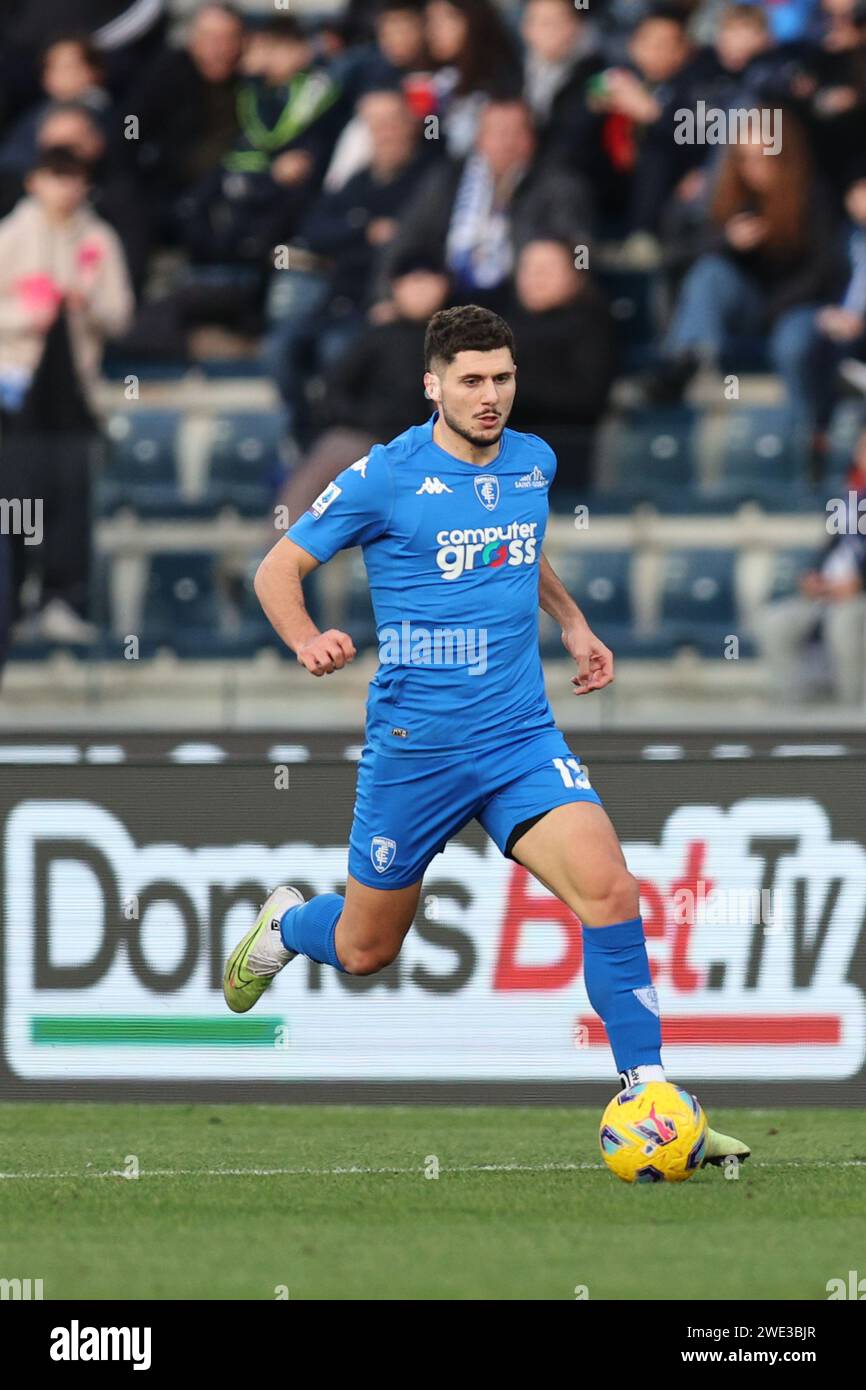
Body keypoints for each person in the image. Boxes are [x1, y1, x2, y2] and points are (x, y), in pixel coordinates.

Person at [222, 302, 750, 1170]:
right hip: (416, 750)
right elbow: (277, 568)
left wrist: (575, 626)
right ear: (433, 386)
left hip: (518, 738)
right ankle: (287, 927)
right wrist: (305, 637)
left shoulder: (533, 463)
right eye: (471, 380)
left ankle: (651, 1098)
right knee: (365, 947)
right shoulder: (382, 476)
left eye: (502, 378)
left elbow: (521, 546)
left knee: (612, 894)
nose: (491, 395)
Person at [0, 148, 133, 642]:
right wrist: (26, 315)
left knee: (70, 503)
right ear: (35, 182)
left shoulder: (99, 239)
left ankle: (63, 601)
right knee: (15, 505)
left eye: (75, 179)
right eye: (57, 178)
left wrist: (84, 305)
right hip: (16, 398)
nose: (67, 190)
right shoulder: (10, 236)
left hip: (73, 399)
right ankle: (10, 605)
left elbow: (119, 313)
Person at [752, 425, 866, 704]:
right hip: (828, 594)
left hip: (858, 597)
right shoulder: (850, 496)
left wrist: (859, 584)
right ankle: (796, 716)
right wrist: (812, 576)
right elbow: (828, 546)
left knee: (845, 622)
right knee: (775, 621)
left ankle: (852, 715)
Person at [505, 238, 616, 489]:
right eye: (528, 269)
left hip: (566, 458)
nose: (535, 278)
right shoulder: (501, 323)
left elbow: (587, 398)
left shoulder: (592, 323)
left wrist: (511, 390)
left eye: (547, 269)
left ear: (575, 275)